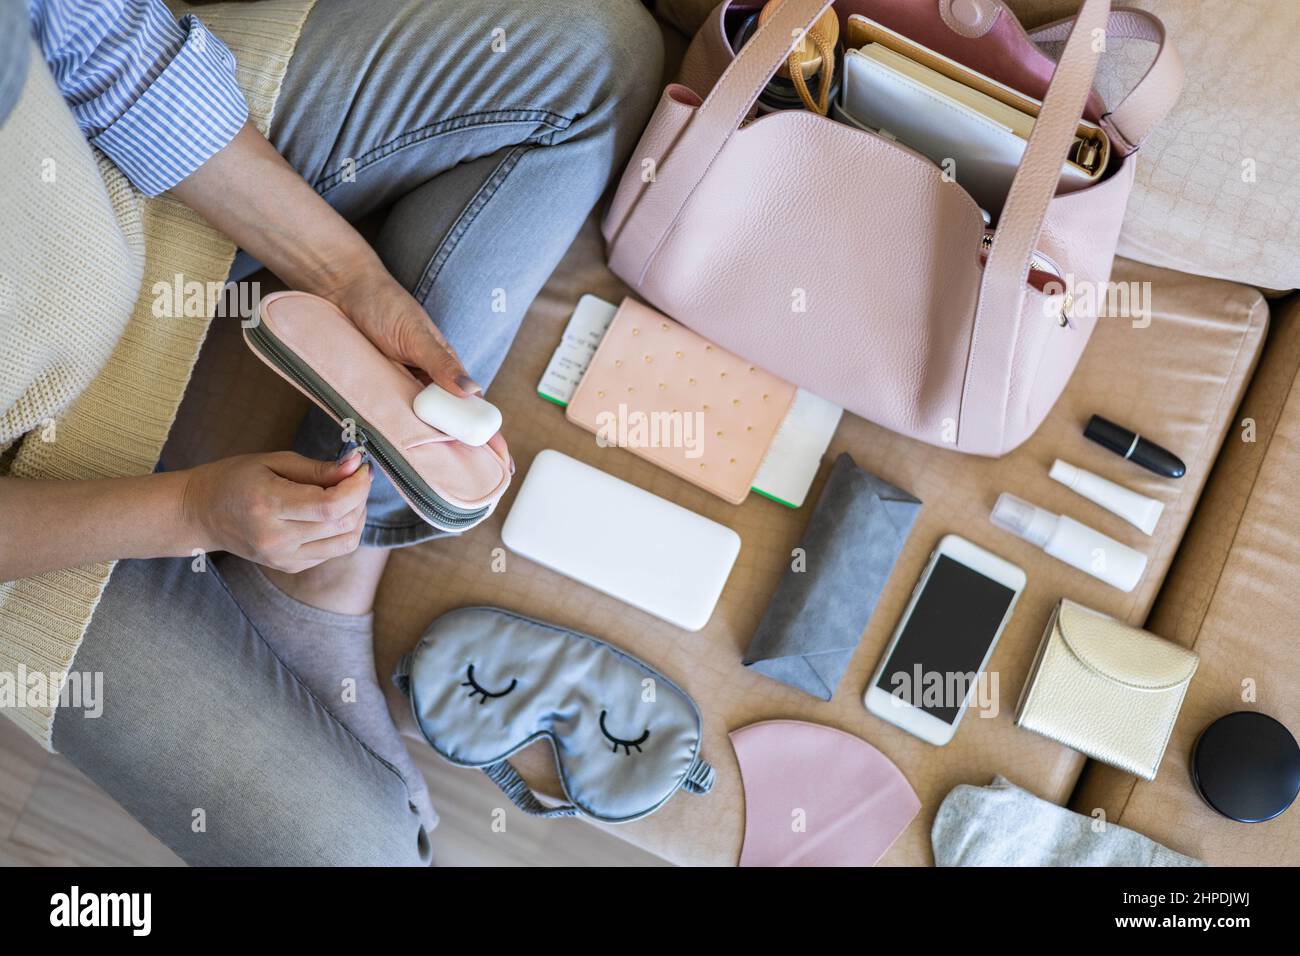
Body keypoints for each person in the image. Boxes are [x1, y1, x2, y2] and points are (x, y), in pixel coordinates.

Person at [0, 0, 662, 864]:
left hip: (107, 187)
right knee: (368, 853)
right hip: (37, 512)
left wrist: (348, 275)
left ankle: (328, 577)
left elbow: (90, 34)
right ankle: (311, 557)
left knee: (593, 57)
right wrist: (193, 510)